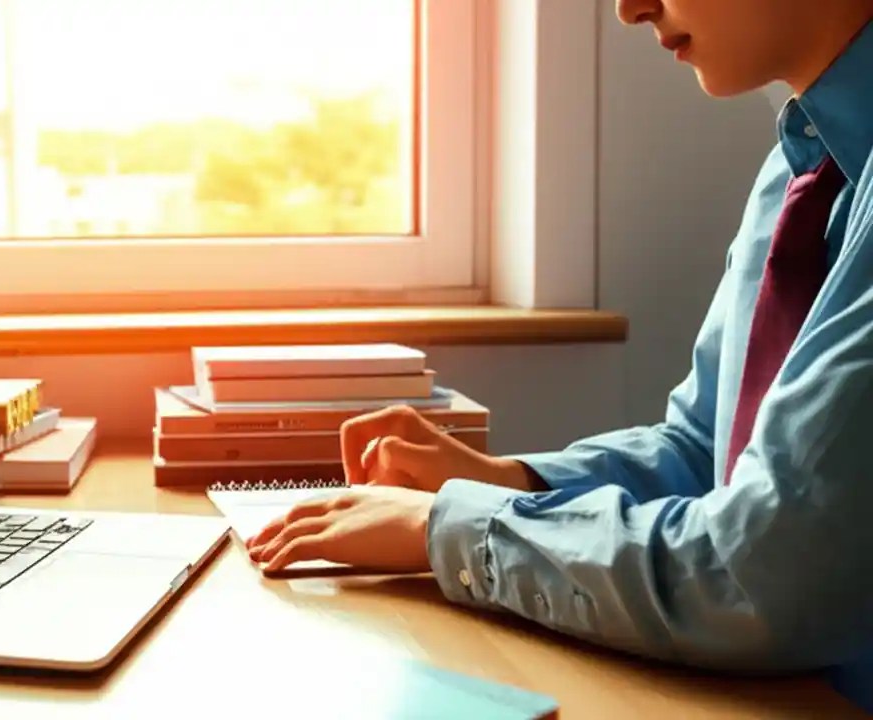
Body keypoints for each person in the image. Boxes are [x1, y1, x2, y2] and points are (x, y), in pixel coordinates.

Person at [246, 0, 873, 711]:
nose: (629, 8)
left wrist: (445, 529)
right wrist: (508, 480)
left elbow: (763, 576)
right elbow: (707, 454)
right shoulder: (802, 166)